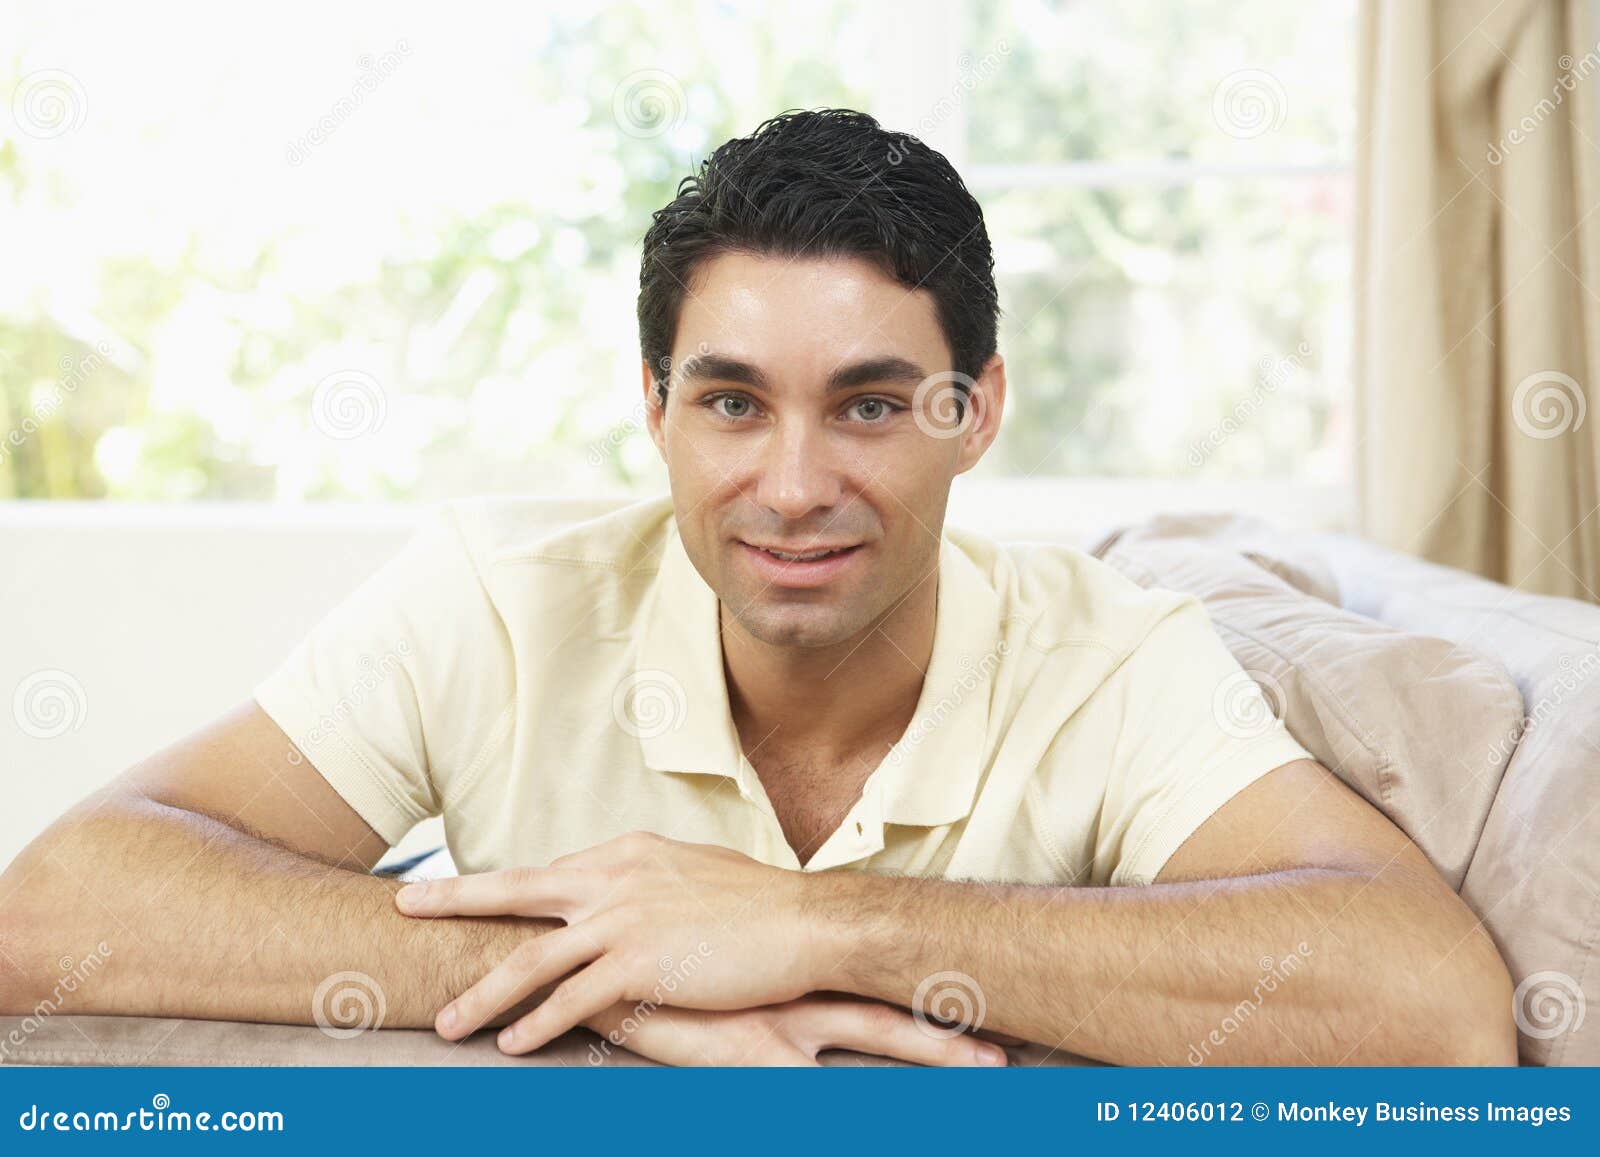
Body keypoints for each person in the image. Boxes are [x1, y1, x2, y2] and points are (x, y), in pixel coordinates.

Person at [0, 109, 1516, 1067]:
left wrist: (823, 929)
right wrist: (617, 968)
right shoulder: (495, 600)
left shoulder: (1110, 661)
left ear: (976, 410)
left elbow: (1432, 1005)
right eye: (732, 402)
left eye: (869, 405)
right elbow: (53, 911)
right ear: (654, 407)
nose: (793, 485)